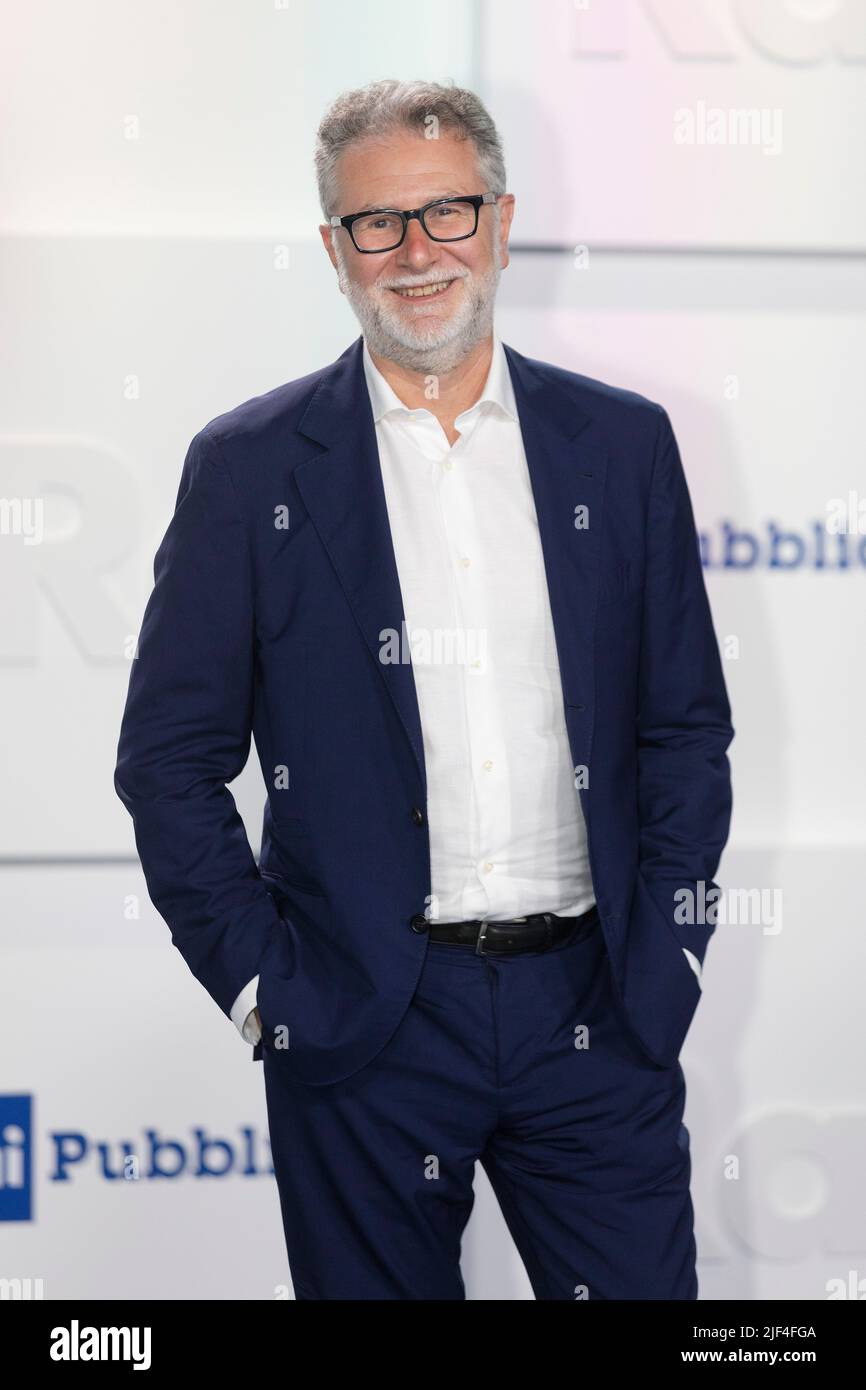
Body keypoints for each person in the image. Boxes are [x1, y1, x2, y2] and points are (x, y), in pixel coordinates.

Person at [114, 79, 734, 1300]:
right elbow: (167, 761)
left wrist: (673, 956)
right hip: (361, 1028)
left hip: (596, 1011)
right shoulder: (248, 470)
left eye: (445, 213)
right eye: (375, 224)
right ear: (335, 252)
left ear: (500, 224)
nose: (415, 253)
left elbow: (683, 729)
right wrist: (264, 991)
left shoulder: (620, 447)